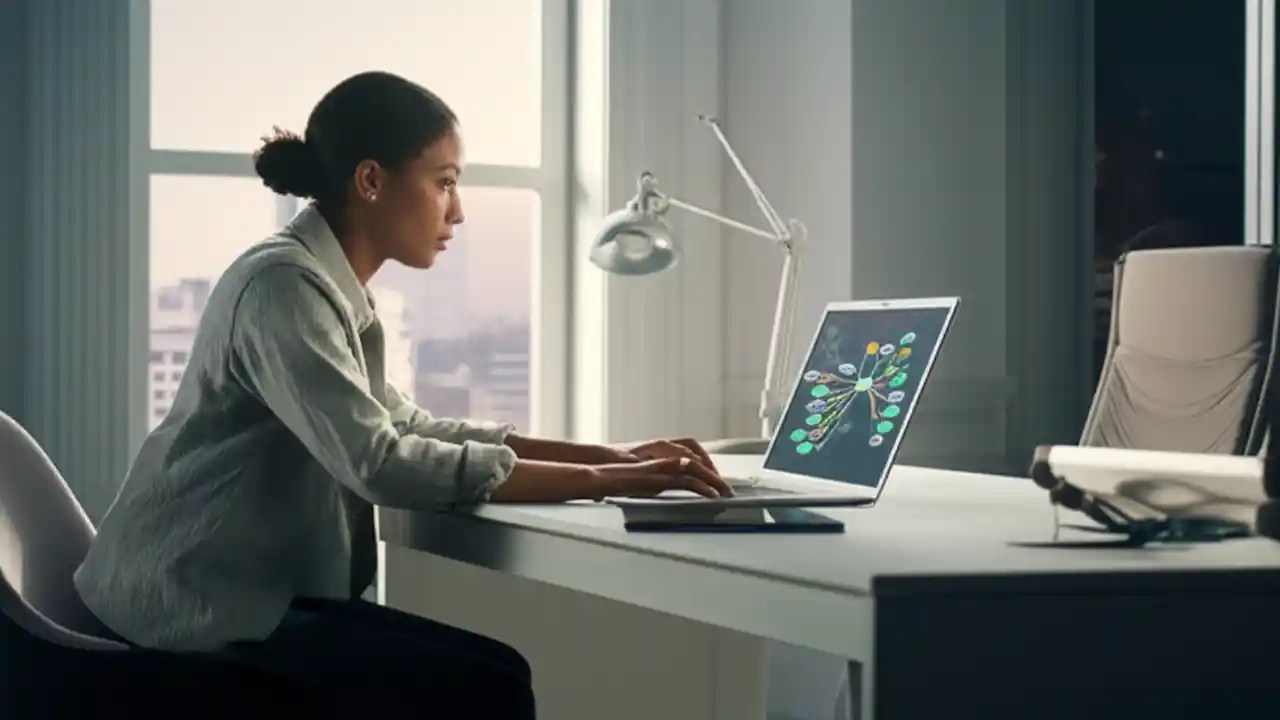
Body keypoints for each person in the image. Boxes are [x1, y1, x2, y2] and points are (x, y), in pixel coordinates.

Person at [73, 70, 733, 716]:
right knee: (489, 687)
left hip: (236, 598)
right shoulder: (284, 288)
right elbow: (380, 461)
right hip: (183, 614)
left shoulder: (326, 286)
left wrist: (613, 460)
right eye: (444, 182)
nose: (459, 209)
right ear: (370, 181)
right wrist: (596, 479)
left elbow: (409, 426)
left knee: (496, 676)